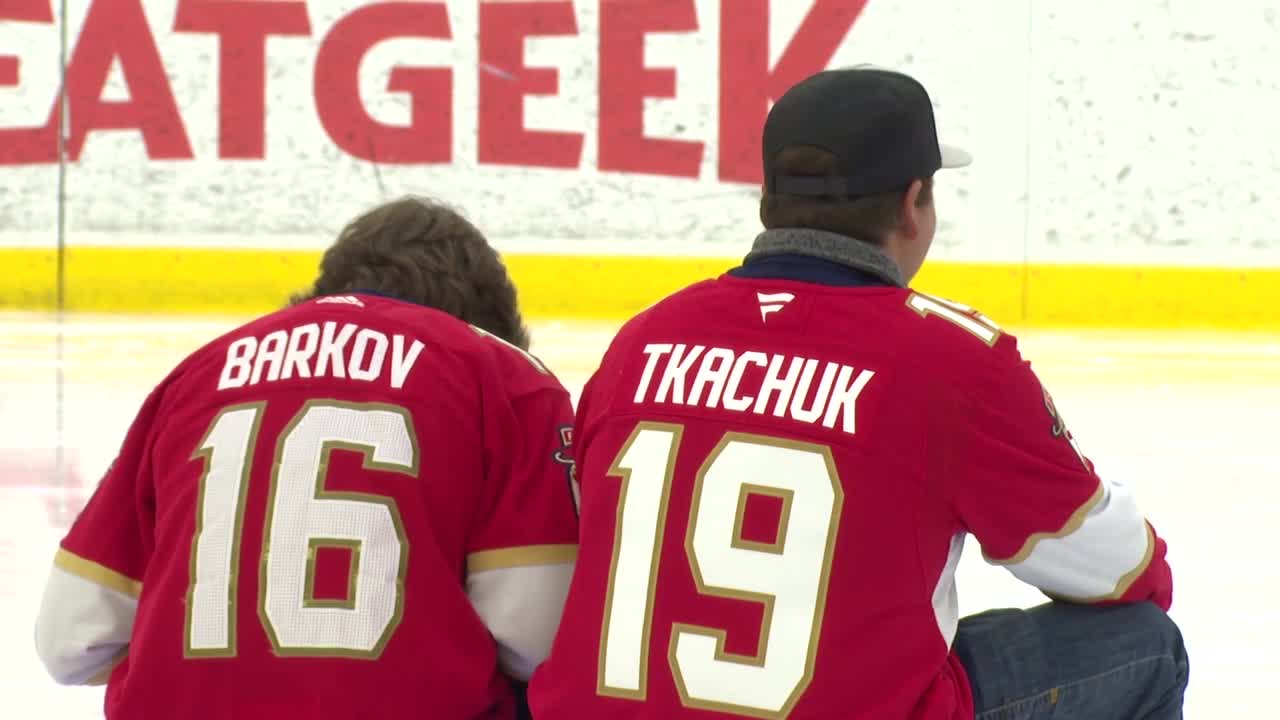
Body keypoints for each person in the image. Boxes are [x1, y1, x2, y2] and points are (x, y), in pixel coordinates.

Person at [529, 67, 1187, 719]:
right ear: (911, 204)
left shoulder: (642, 340)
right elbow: (1121, 573)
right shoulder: (952, 361)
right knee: (1148, 646)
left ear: (768, 199)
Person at [34, 197, 580, 720]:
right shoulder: (504, 377)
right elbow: (541, 639)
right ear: (488, 322)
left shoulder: (192, 377)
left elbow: (69, 640)